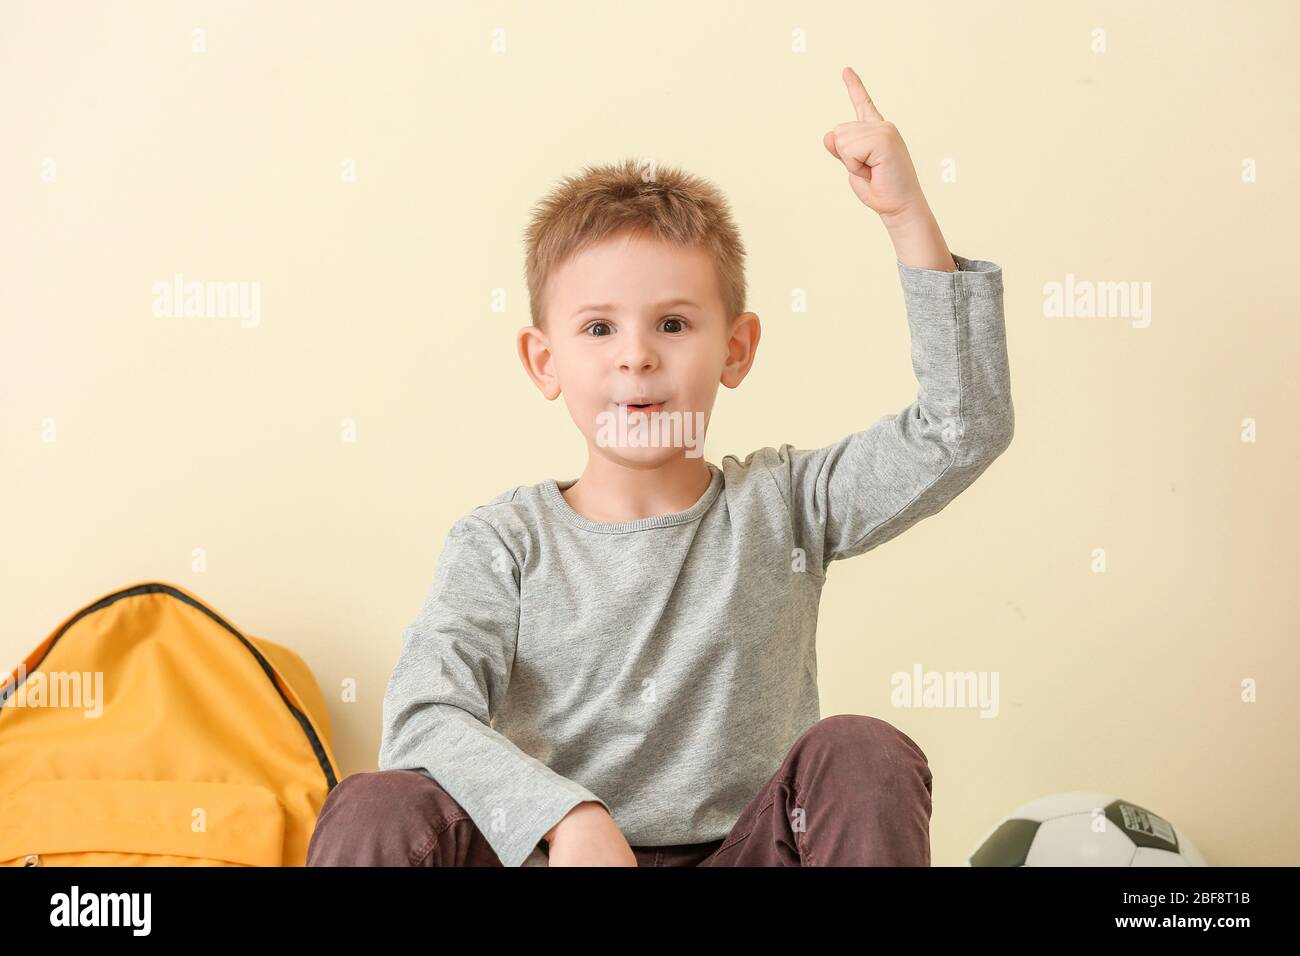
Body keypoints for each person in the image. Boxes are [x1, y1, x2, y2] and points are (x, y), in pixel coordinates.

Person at [307, 67, 1012, 867]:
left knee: (861, 751)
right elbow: (424, 714)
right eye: (599, 328)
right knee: (379, 802)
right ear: (545, 362)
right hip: (561, 856)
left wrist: (907, 217)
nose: (636, 357)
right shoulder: (502, 543)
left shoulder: (786, 506)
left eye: (672, 323)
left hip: (747, 852)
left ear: (735, 349)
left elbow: (961, 428)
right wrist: (565, 816)